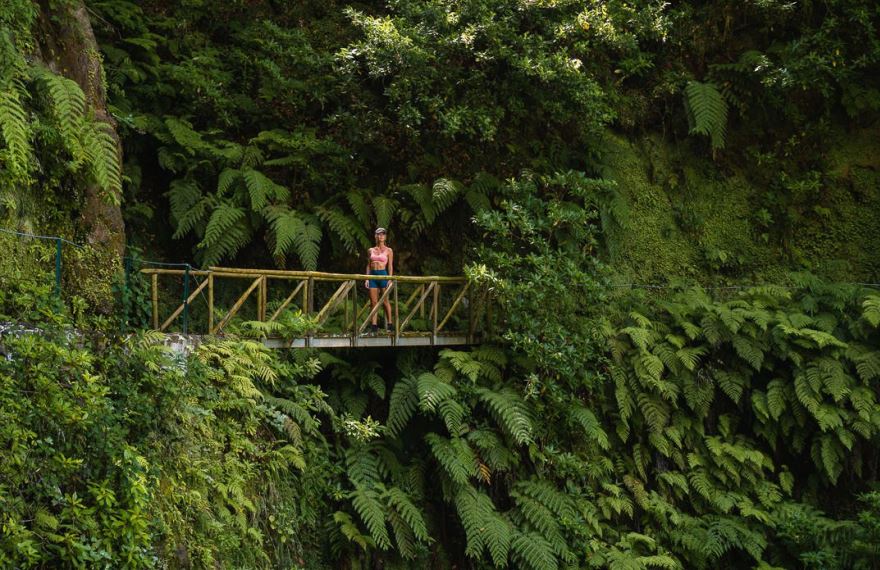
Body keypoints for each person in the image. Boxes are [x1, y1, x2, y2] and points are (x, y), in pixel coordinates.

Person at [364, 227, 393, 334]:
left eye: (383, 234)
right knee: (373, 302)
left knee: (385, 301)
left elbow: (390, 266)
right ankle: (374, 325)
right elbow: (368, 265)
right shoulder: (370, 250)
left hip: (383, 275)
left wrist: (389, 278)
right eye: (378, 234)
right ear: (375, 236)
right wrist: (366, 278)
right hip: (372, 276)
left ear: (385, 237)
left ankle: (390, 324)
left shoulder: (389, 250)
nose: (381, 236)